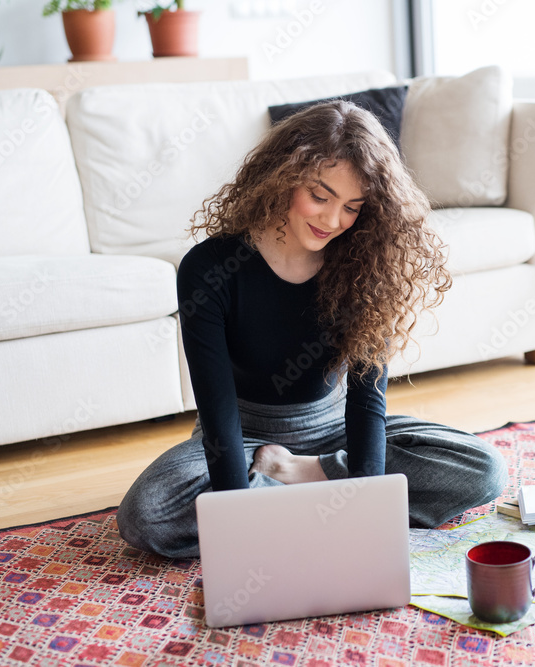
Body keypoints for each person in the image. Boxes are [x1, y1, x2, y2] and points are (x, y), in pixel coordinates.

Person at [117, 100, 509, 558]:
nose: (332, 220)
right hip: (241, 438)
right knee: (145, 515)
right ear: (282, 176)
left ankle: (299, 478)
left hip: (331, 431)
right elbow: (216, 406)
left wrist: (364, 494)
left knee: (483, 470)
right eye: (320, 196)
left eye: (352, 207)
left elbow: (366, 402)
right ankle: (305, 499)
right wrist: (235, 513)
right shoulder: (209, 267)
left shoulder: (367, 266)